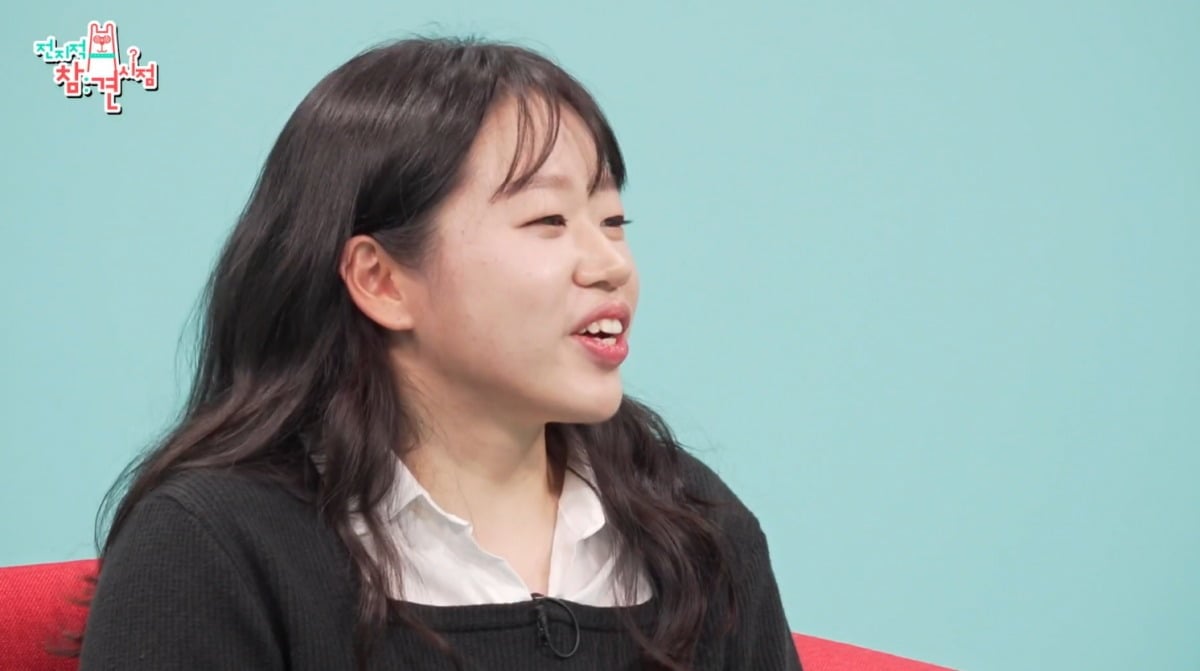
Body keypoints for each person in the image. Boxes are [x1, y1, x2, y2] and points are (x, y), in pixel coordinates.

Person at [77, 36, 802, 670]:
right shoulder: (213, 547)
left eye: (613, 220)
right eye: (549, 219)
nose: (611, 264)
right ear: (382, 280)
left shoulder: (693, 526)